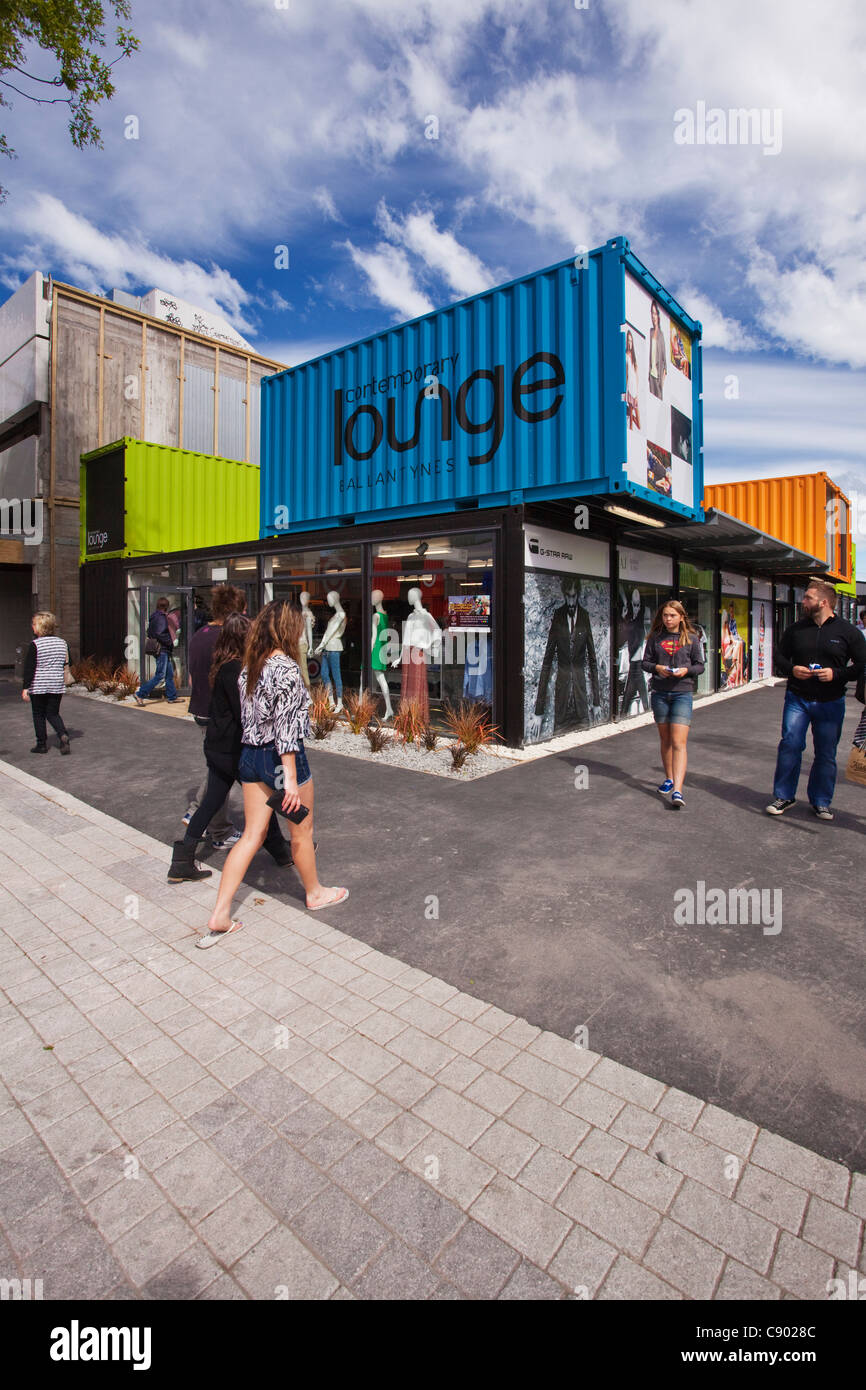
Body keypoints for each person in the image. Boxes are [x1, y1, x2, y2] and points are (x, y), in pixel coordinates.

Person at [196, 600, 348, 947]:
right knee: (302, 832)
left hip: (250, 757)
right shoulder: (287, 669)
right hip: (281, 761)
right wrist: (290, 779)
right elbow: (286, 729)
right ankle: (315, 893)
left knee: (251, 835)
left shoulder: (251, 666)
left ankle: (220, 913)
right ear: (290, 630)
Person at [168, 613, 294, 883]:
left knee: (211, 802)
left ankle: (182, 859)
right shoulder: (237, 670)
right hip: (233, 749)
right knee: (262, 797)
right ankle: (282, 852)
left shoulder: (222, 664)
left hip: (217, 746)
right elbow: (245, 714)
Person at [766, 579, 866, 820]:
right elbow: (778, 657)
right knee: (790, 745)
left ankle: (821, 801)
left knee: (825, 753)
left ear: (823, 602)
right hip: (797, 698)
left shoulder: (847, 632)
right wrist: (792, 669)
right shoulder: (796, 629)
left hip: (830, 702)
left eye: (808, 598)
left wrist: (836, 674)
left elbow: (863, 664)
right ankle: (784, 796)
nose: (803, 601)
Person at [182, 584, 246, 848]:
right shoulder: (227, 639)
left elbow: (190, 675)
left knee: (218, 768)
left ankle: (197, 811)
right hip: (221, 715)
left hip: (200, 709)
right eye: (243, 610)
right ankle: (217, 828)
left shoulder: (200, 634)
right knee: (224, 770)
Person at [641, 600, 705, 808]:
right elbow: (645, 663)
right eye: (665, 615)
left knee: (679, 742)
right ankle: (669, 778)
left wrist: (687, 670)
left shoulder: (691, 639)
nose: (668, 619)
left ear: (681, 617)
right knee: (665, 739)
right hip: (660, 693)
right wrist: (657, 667)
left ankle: (678, 790)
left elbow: (700, 666)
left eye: (672, 615)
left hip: (681, 693)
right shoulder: (655, 638)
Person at [529, 575, 601, 739]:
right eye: (568, 596)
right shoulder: (558, 616)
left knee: (585, 745)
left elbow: (593, 662)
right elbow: (546, 663)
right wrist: (538, 712)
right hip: (562, 700)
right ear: (564, 595)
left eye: (573, 596)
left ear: (578, 595)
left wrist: (596, 702)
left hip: (580, 700)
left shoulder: (585, 617)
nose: (570, 601)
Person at [21, 611, 72, 755]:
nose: (32, 626)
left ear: (41, 626)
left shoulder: (35, 644)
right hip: (56, 683)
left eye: (34, 624)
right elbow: (69, 662)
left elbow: (29, 668)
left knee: (38, 714)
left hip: (39, 684)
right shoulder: (63, 643)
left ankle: (41, 745)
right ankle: (63, 734)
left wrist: (25, 688)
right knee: (53, 713)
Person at [134, 597, 178, 704]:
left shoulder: (153, 617)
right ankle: (140, 694)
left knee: (169, 674)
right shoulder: (161, 618)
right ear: (166, 607)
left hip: (160, 649)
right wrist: (170, 641)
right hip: (162, 649)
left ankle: (172, 697)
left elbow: (150, 632)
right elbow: (160, 633)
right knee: (160, 675)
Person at [648, 298, 667, 400]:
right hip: (651, 376)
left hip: (658, 378)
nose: (653, 316)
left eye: (655, 314)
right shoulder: (650, 332)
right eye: (652, 313)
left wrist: (661, 383)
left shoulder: (661, 335)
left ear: (659, 316)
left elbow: (664, 362)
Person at [625, 330, 640, 430]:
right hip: (629, 389)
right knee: (630, 425)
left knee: (639, 424)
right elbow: (626, 375)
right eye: (628, 341)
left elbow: (636, 376)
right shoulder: (625, 355)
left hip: (634, 390)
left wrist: (637, 394)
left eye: (631, 341)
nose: (630, 343)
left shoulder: (634, 357)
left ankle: (630, 416)